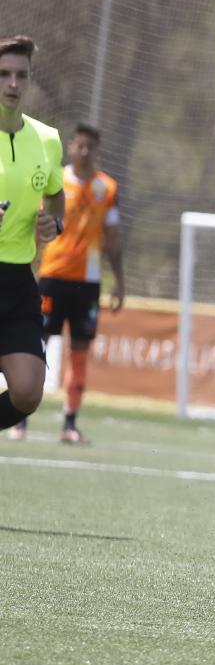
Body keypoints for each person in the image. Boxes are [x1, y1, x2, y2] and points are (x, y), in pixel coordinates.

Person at [12, 122, 124, 444]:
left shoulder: (108, 189)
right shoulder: (54, 178)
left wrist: (119, 280)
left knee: (80, 352)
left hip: (88, 282)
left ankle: (70, 424)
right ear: (71, 146)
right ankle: (20, 420)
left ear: (96, 150)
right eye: (79, 145)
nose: (84, 151)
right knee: (34, 348)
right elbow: (33, 223)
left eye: (90, 146)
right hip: (52, 276)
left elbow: (113, 238)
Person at [0, 36, 68, 434]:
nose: (12, 83)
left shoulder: (47, 139)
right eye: (4, 74)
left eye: (20, 76)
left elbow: (57, 199)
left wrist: (54, 223)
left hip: (18, 283)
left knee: (27, 393)